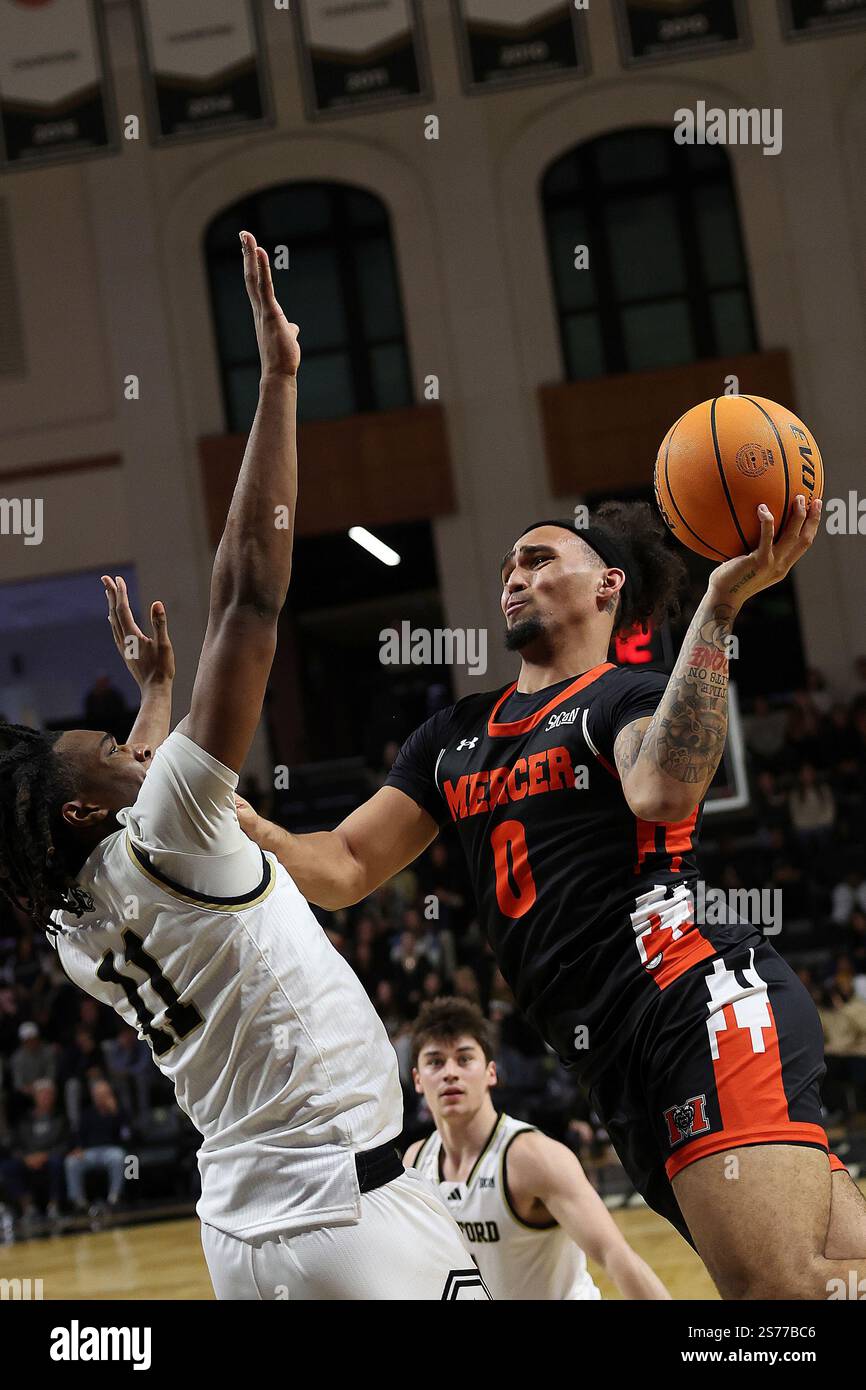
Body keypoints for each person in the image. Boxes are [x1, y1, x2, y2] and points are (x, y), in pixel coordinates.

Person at [0, 233, 486, 1301]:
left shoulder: (69, 922)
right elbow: (250, 594)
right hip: (349, 1211)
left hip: (241, 1233)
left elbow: (142, 781)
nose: (132, 741)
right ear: (84, 807)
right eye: (108, 747)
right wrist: (275, 380)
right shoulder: (167, 830)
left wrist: (158, 696)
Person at [239, 492, 866, 1300]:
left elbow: (664, 792)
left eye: (538, 560)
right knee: (829, 1284)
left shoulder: (627, 699)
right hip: (608, 1052)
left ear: (607, 585)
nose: (514, 576)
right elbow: (349, 865)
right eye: (507, 566)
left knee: (778, 1299)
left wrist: (719, 604)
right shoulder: (451, 737)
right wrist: (252, 831)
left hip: (694, 1002)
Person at [404, 998, 668, 1300]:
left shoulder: (533, 1158)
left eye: (464, 1059)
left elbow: (616, 1256)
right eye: (436, 1062)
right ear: (417, 1080)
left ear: (491, 1072)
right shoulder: (417, 1161)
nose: (450, 1072)